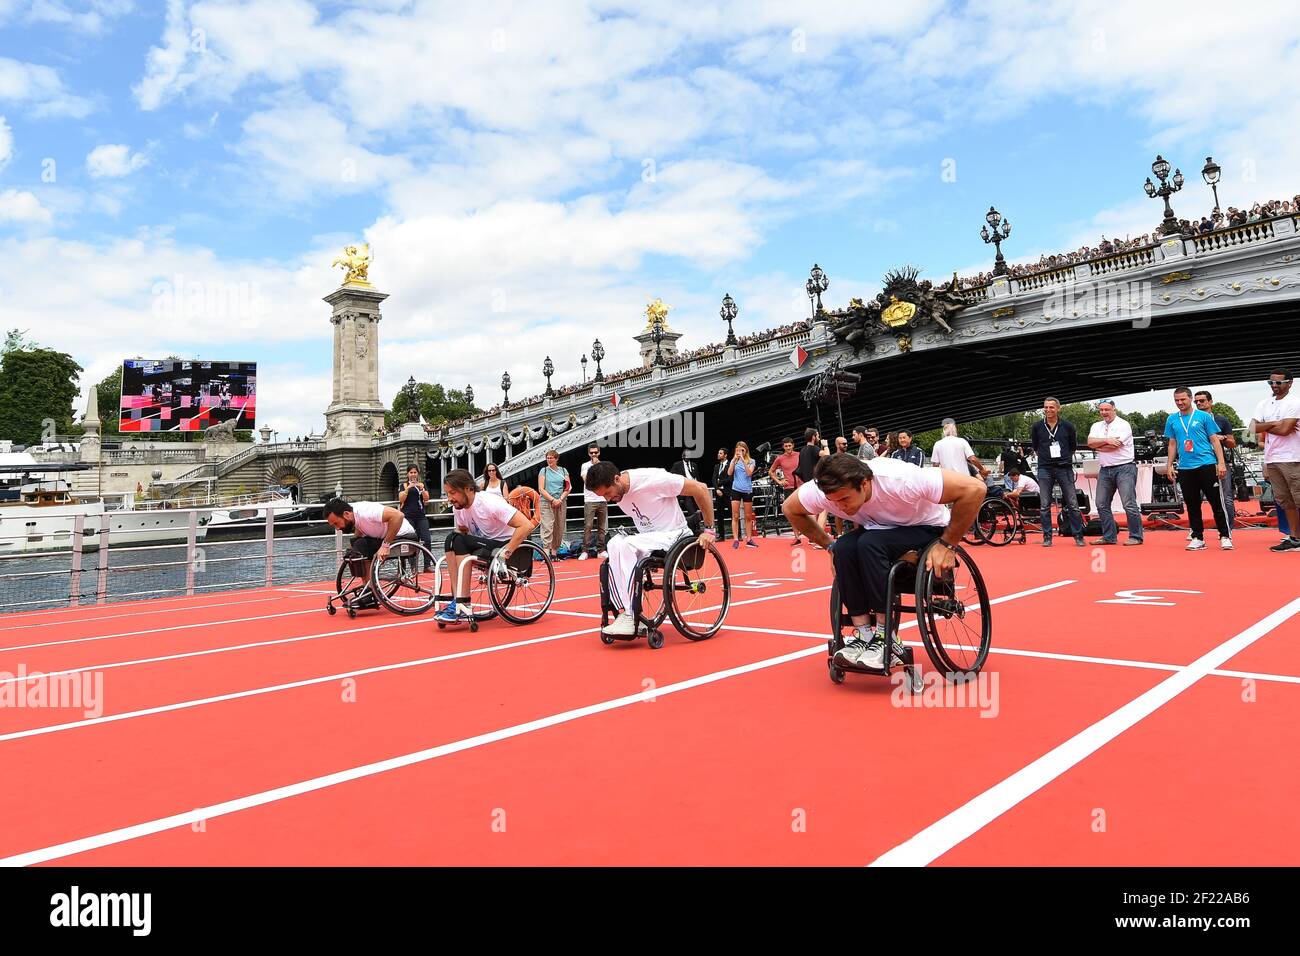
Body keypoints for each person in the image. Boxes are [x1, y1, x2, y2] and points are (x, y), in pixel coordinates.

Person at [782, 453, 984, 671]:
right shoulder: (824, 490)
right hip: (878, 530)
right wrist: (828, 545)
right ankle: (864, 634)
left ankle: (886, 636)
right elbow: (790, 509)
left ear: (865, 483)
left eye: (845, 499)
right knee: (844, 548)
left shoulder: (901, 480)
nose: (840, 508)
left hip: (925, 527)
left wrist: (948, 544)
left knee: (869, 543)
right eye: (834, 502)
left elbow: (975, 489)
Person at [584, 460, 717, 637]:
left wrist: (709, 529)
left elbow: (700, 488)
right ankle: (624, 611)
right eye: (603, 497)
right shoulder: (618, 490)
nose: (608, 500)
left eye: (608, 493)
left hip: (675, 534)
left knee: (627, 545)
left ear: (617, 479)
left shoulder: (653, 479)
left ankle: (632, 614)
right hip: (650, 539)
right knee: (613, 543)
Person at [435, 469, 535, 623]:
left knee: (456, 539)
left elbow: (526, 526)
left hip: (507, 545)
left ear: (468, 488)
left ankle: (463, 601)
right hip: (488, 544)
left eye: (453, 493)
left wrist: (506, 553)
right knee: (451, 539)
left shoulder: (489, 503)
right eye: (448, 493)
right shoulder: (459, 508)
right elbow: (463, 533)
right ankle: (458, 600)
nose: (449, 498)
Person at [1164, 386, 1231, 551]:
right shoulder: (1172, 419)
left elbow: (1215, 440)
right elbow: (1172, 443)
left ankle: (1225, 536)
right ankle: (1198, 537)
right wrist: (1169, 465)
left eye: (1183, 399)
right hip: (1185, 467)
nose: (1180, 403)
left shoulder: (1204, 416)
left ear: (1190, 399)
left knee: (1216, 502)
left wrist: (1220, 463)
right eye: (1176, 400)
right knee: (1192, 504)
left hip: (1207, 464)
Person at [324, 497, 417, 608]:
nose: (337, 528)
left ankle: (370, 590)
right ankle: (368, 588)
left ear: (346, 514)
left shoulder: (366, 511)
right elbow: (361, 528)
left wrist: (385, 545)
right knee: (356, 545)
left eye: (336, 523)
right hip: (384, 537)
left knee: (361, 545)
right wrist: (353, 548)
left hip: (403, 536)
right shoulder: (354, 515)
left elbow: (398, 516)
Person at [1249, 370, 1300, 552]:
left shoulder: (1294, 403)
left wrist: (1267, 424)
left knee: (1298, 498)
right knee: (1285, 500)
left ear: (1290, 383)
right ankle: (1295, 537)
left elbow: (1286, 430)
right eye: (1271, 383)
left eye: (1279, 383)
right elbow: (1252, 428)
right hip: (1272, 458)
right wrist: (1274, 424)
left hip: (1294, 457)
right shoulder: (1264, 403)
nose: (1274, 386)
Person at [1029, 399, 1085, 547]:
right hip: (1045, 468)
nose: (1048, 410)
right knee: (1044, 504)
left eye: (1052, 407)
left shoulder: (1068, 426)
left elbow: (1073, 446)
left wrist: (1064, 458)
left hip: (1064, 467)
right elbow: (1035, 446)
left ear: (1058, 409)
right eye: (1046, 407)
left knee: (1072, 503)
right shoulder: (1037, 426)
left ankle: (1078, 535)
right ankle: (1047, 536)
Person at [1086, 400, 1143, 546]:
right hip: (1105, 469)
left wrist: (1098, 446)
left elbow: (1114, 447)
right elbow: (1090, 442)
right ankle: (1109, 536)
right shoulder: (1096, 426)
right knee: (1101, 503)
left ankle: (1136, 536)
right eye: (1101, 410)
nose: (1104, 412)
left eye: (1107, 409)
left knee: (1128, 503)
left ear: (1114, 409)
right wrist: (1106, 440)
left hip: (1125, 467)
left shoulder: (1123, 425)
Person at [1193, 390, 1237, 529]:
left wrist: (1222, 438)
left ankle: (1228, 528)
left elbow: (1232, 443)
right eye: (1196, 401)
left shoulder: (1221, 420)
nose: (1199, 403)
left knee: (1226, 497)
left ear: (1210, 402)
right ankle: (1195, 529)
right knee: (1195, 498)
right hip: (1197, 463)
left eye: (1202, 401)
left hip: (1219, 462)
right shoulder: (1191, 420)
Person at [398, 464, 434, 569]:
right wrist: (409, 488)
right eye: (411, 472)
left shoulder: (422, 485)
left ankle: (427, 565)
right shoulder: (403, 485)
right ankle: (413, 566)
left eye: (415, 472)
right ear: (407, 474)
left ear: (418, 474)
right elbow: (401, 499)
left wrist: (422, 489)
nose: (413, 474)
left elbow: (426, 499)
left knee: (426, 539)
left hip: (421, 516)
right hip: (408, 517)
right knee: (411, 542)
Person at [769, 437, 804, 545]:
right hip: (789, 488)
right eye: (786, 446)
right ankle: (797, 537)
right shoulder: (780, 458)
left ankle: (811, 534)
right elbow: (771, 471)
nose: (788, 448)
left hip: (802, 486)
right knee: (792, 513)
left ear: (793, 445)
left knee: (807, 510)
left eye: (789, 445)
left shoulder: (800, 455)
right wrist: (779, 481)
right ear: (783, 447)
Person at [536, 449, 570, 559]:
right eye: (548, 458)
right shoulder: (543, 471)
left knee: (558, 526)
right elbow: (541, 488)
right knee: (547, 526)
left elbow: (567, 487)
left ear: (556, 459)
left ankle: (554, 553)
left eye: (551, 458)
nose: (549, 460)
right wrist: (552, 500)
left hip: (560, 501)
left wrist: (560, 499)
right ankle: (546, 554)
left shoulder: (564, 471)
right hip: (546, 502)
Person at [727, 441, 759, 549]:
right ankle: (736, 539)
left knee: (748, 516)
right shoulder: (734, 461)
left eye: (742, 450)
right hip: (736, 489)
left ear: (746, 450)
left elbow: (749, 473)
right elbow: (729, 473)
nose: (740, 452)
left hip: (747, 490)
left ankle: (749, 539)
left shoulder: (751, 461)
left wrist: (743, 460)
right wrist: (734, 460)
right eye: (738, 450)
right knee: (735, 516)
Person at [579, 443, 608, 559]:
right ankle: (585, 551)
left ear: (599, 452)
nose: (594, 455)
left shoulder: (604, 466)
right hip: (590, 500)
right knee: (588, 525)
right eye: (591, 453)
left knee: (601, 527)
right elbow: (587, 481)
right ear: (588, 453)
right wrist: (594, 468)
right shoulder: (585, 466)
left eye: (596, 452)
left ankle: (601, 550)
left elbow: (605, 481)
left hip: (602, 499)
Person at [711, 446, 732, 540]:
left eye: (720, 453)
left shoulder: (730, 465)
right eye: (718, 453)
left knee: (733, 513)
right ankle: (721, 536)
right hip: (718, 493)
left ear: (725, 455)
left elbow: (730, 478)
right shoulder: (716, 466)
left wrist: (720, 482)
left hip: (728, 492)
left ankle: (738, 534)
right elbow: (713, 479)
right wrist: (716, 489)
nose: (718, 455)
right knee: (719, 515)